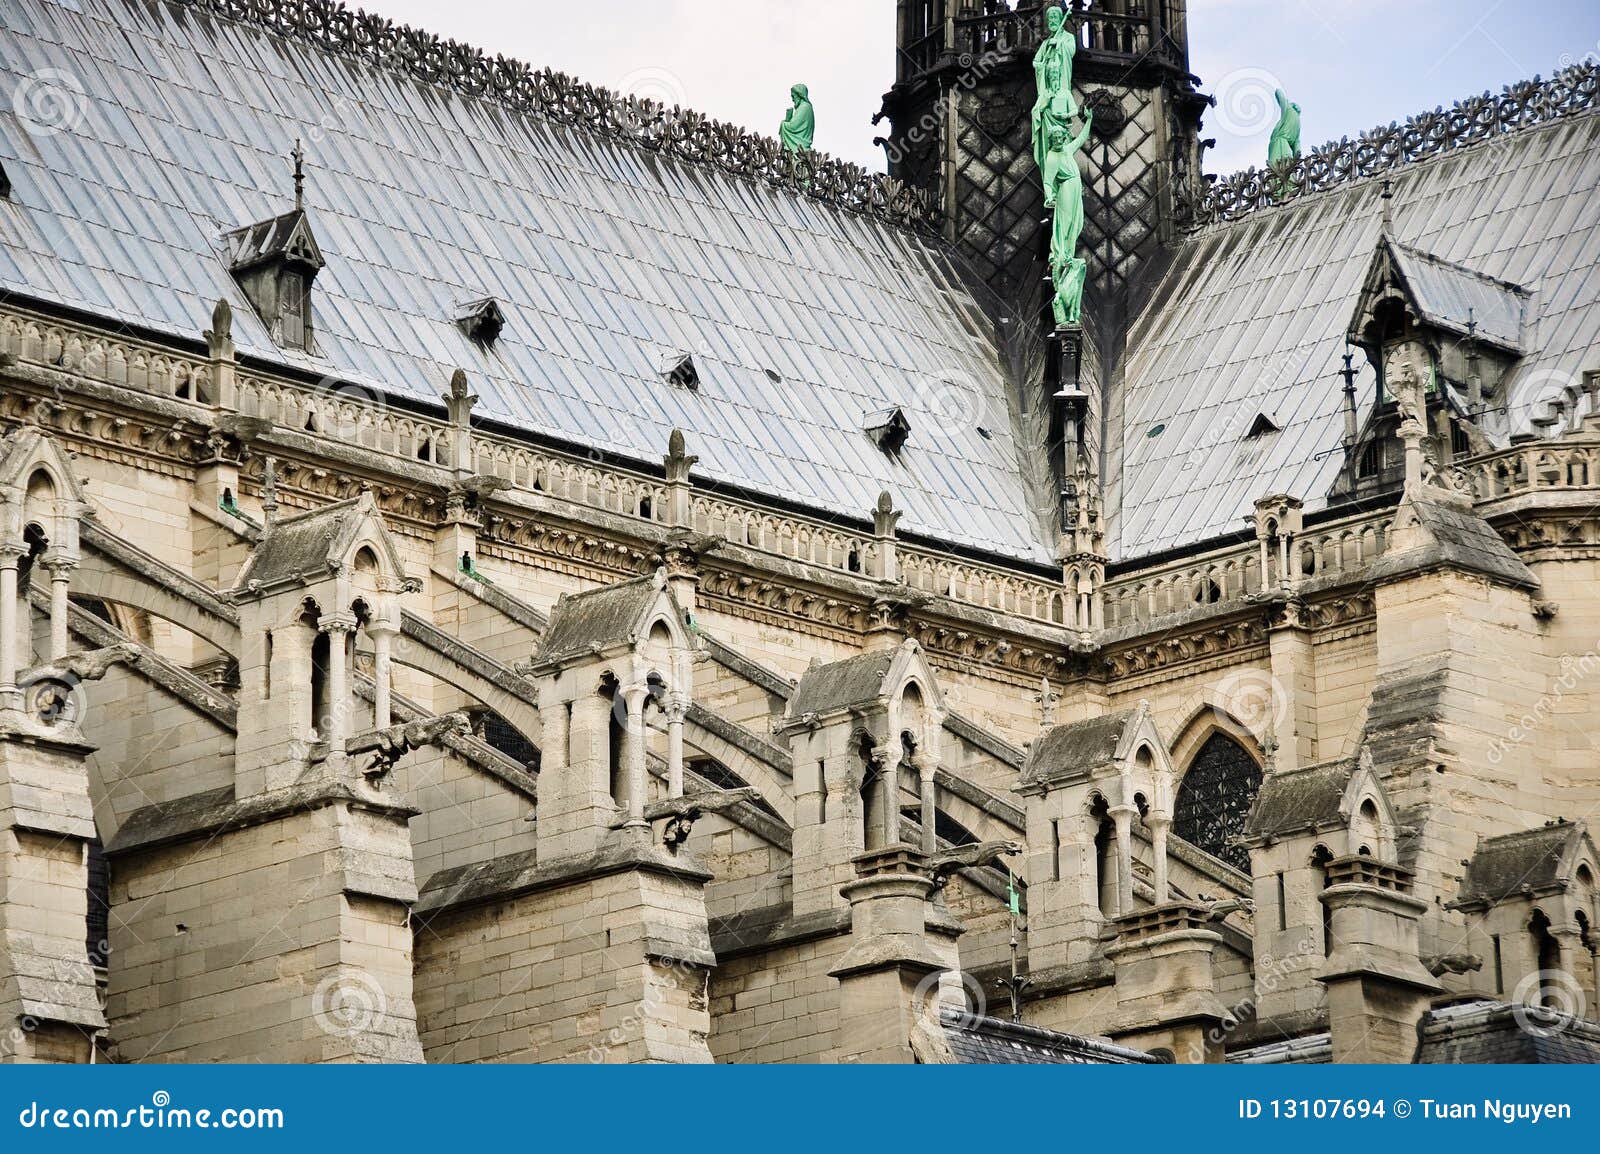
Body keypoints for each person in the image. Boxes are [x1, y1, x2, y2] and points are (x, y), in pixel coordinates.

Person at [779, 83, 814, 152]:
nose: (792, 99)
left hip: (800, 146)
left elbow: (793, 127)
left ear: (799, 95)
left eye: (793, 96)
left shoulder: (805, 107)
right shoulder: (803, 107)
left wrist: (784, 122)